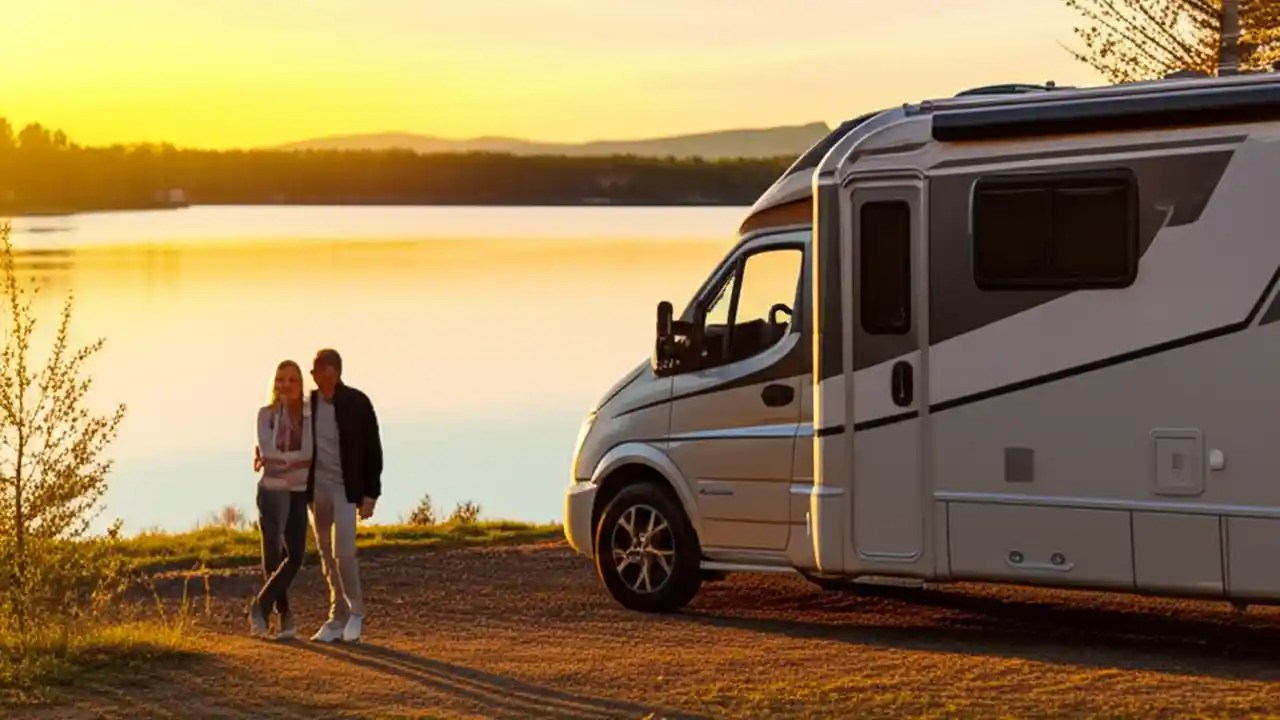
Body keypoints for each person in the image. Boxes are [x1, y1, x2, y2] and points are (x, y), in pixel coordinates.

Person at [306, 348, 383, 643]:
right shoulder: (308, 405)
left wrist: (370, 493)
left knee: (344, 554)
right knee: (326, 554)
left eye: (316, 370)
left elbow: (373, 449)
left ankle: (357, 611)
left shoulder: (357, 403)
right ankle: (336, 616)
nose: (312, 375)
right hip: (317, 491)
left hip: (346, 490)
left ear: (332, 371)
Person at [249, 359, 313, 640]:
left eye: (292, 380)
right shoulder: (266, 415)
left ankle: (259, 607)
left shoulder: (311, 418)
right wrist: (292, 462)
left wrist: (287, 461)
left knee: (295, 555)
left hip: (298, 494)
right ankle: (284, 616)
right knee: (273, 555)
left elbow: (307, 455)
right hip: (272, 491)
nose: (285, 385)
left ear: (301, 386)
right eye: (280, 379)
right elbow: (274, 458)